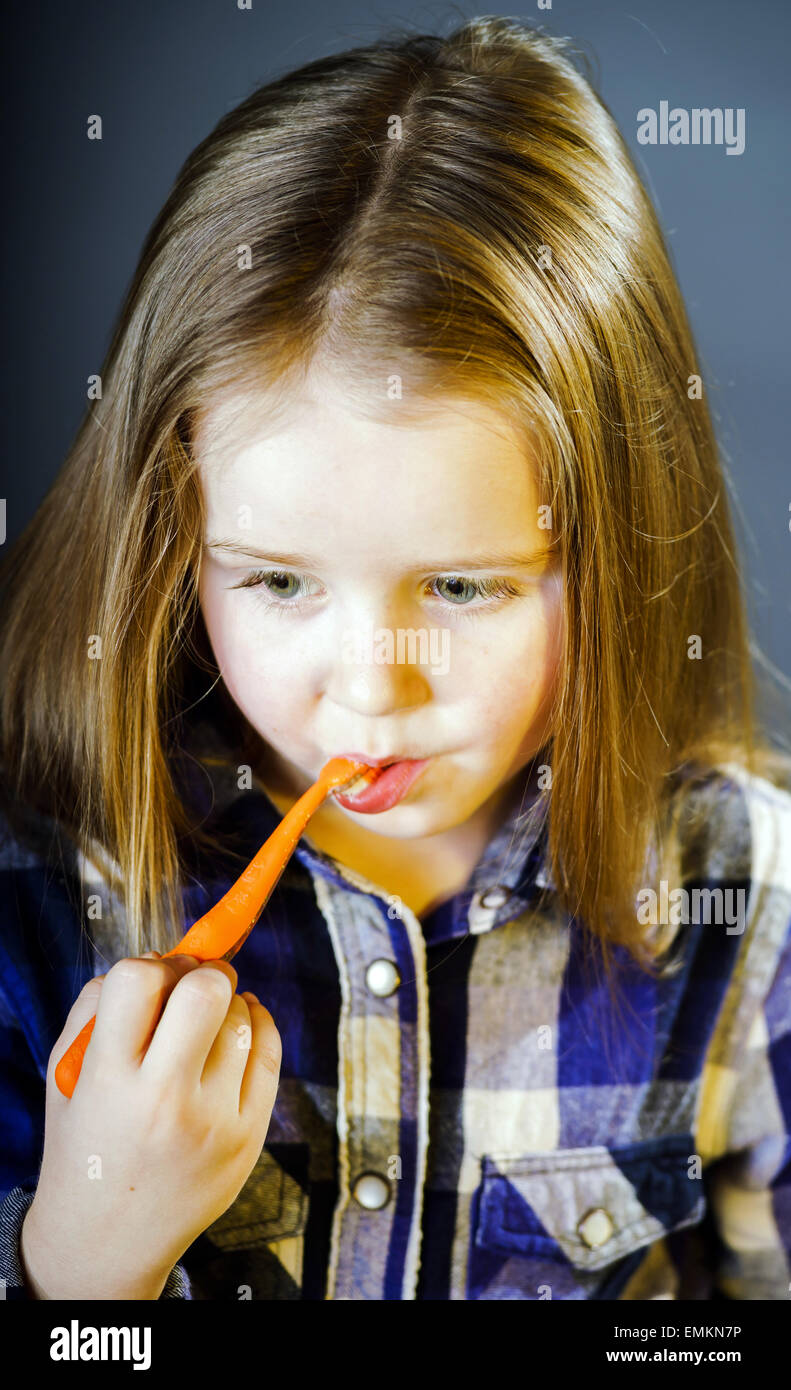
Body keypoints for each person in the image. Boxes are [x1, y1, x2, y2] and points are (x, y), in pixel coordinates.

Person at [1, 16, 789, 1301]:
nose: (370, 686)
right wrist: (89, 1267)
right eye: (274, 581)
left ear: (617, 552)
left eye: (464, 584)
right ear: (167, 544)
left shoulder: (747, 914)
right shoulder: (34, 900)